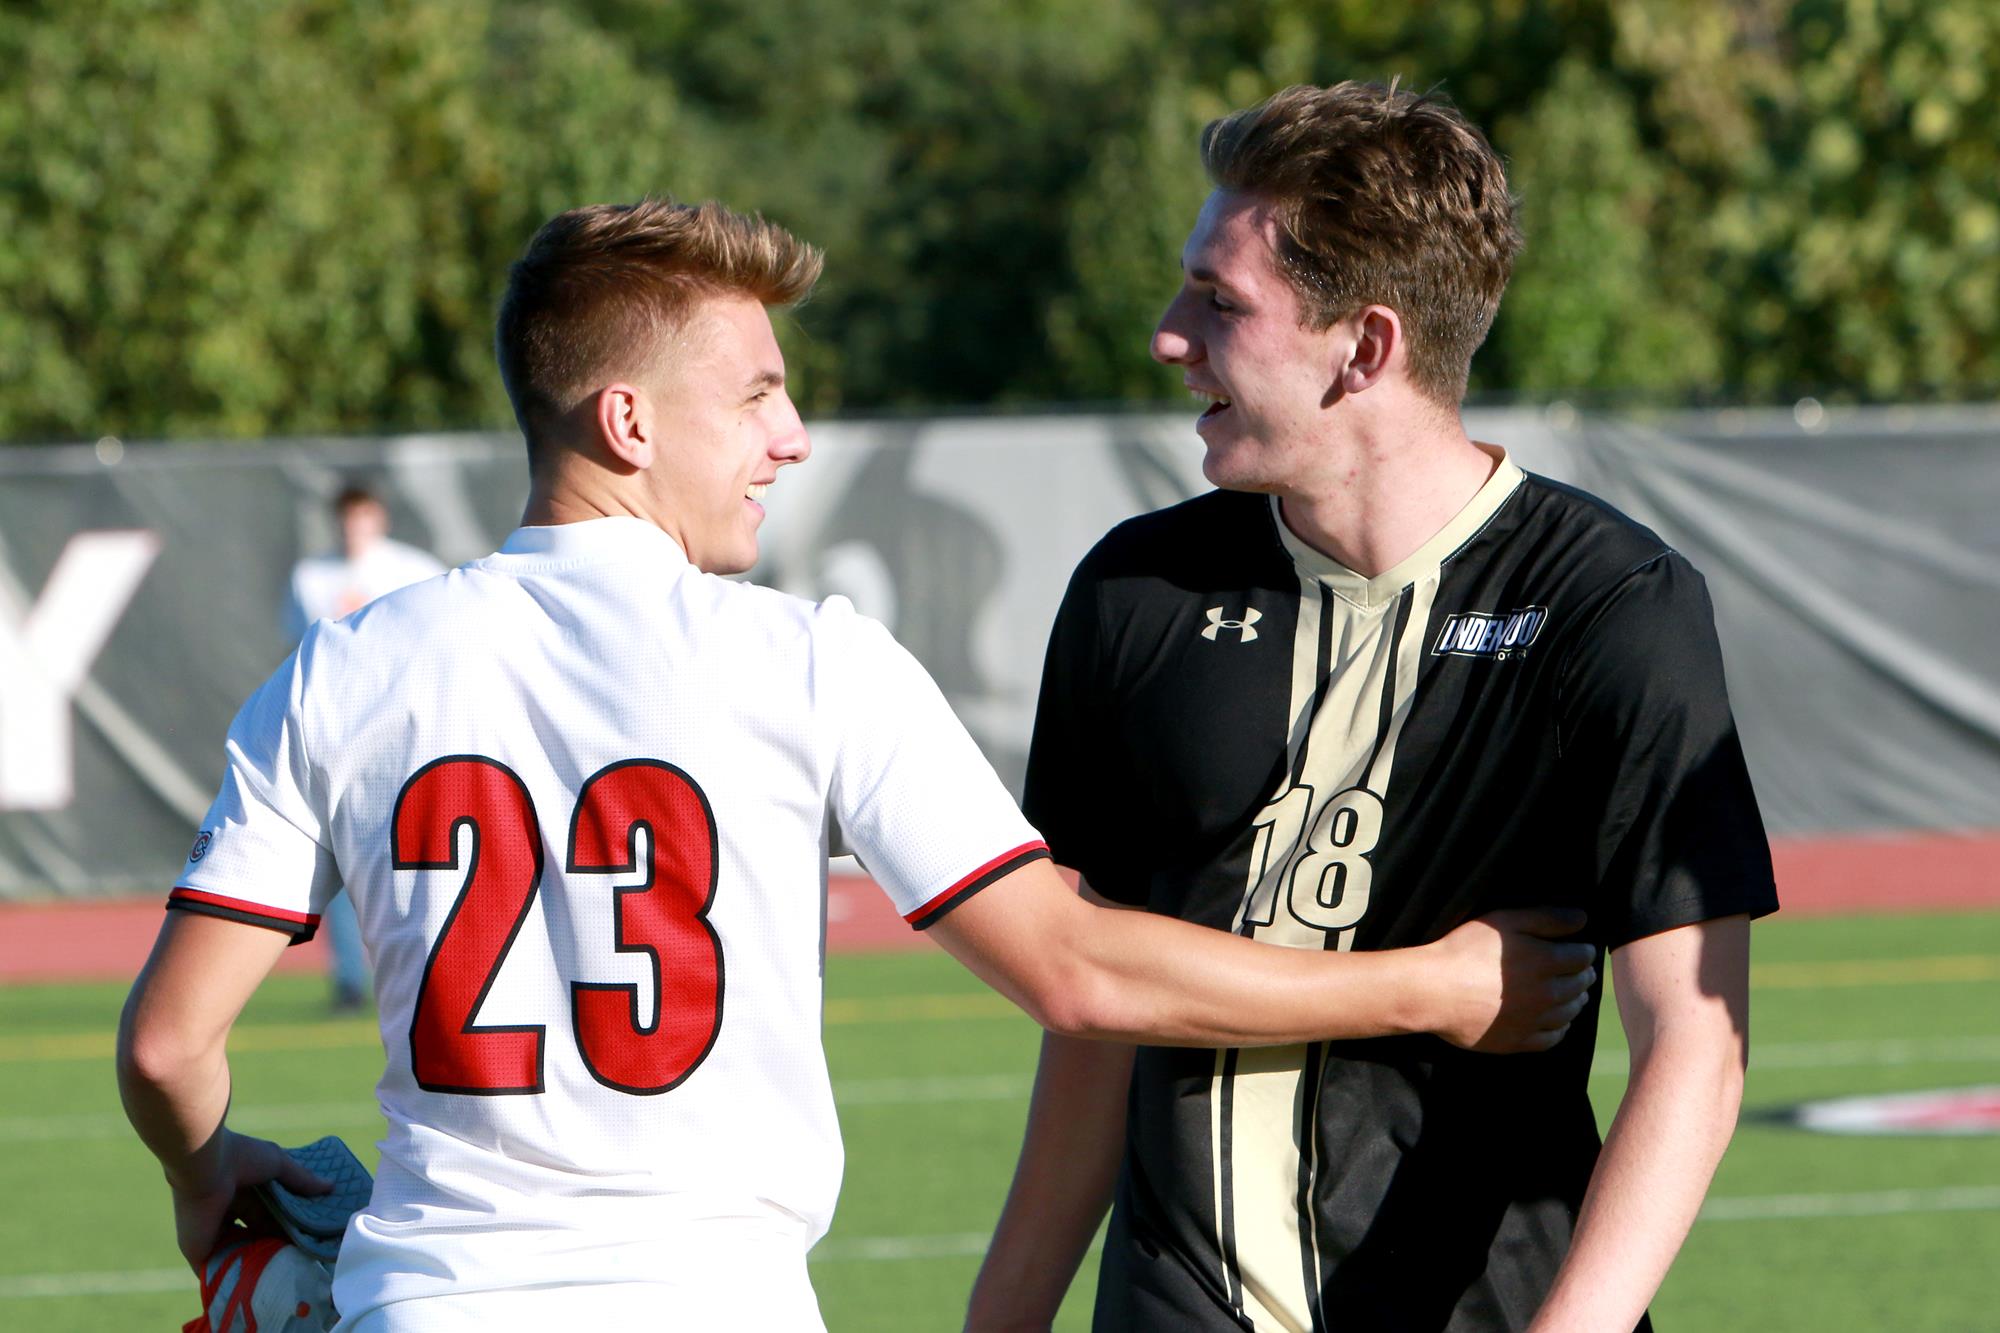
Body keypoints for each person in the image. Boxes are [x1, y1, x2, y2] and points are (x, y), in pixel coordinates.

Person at [116, 197, 1597, 1332]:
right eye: (756, 393)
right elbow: (1072, 971)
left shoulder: (350, 666)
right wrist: (1435, 986)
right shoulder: (805, 659)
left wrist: (208, 1174)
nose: (794, 435)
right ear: (628, 421)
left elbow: (168, 1048)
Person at [968, 83, 1779, 1333]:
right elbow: (1094, 1010)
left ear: (1366, 347)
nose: (1167, 335)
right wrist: (1004, 1318)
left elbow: (1694, 1044)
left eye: (1219, 302)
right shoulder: (1133, 592)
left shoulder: (1612, 601)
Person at [283, 486, 447, 1012]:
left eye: (363, 517)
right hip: (342, 738)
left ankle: (436, 974)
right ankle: (351, 980)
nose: (355, 528)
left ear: (378, 518)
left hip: (406, 735)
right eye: (347, 518)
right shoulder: (311, 576)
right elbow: (303, 653)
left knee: (423, 858)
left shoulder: (413, 568)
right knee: (340, 861)